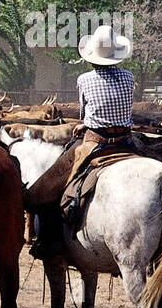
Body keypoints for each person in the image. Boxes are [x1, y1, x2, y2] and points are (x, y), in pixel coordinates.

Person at [25, 24, 136, 259]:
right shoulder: (129, 76)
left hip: (95, 143)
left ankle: (49, 241)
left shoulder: (84, 79)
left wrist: (84, 123)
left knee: (48, 188)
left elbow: (86, 114)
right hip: (126, 142)